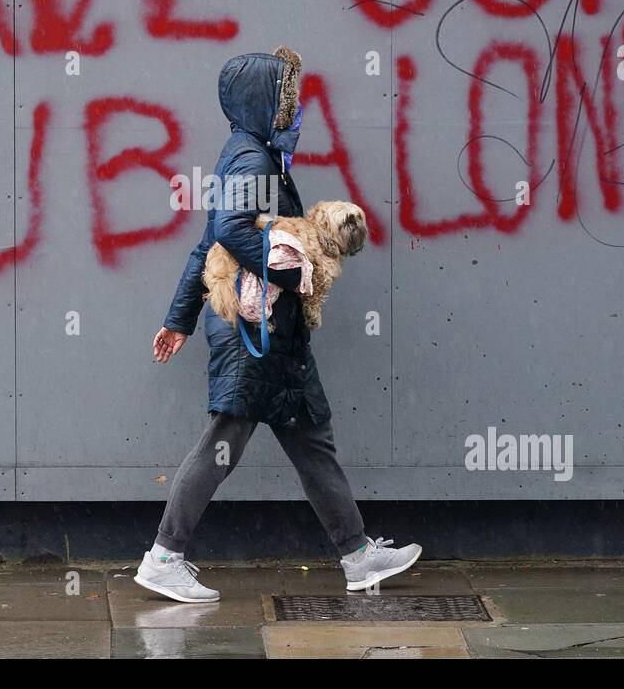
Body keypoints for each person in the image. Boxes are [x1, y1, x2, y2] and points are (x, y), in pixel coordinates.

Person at [137, 46, 421, 603]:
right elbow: (226, 229)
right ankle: (164, 557)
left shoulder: (254, 152)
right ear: (264, 102)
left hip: (274, 335)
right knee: (225, 440)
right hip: (254, 336)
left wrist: (180, 321)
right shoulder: (253, 160)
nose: (293, 111)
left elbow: (205, 245)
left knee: (312, 437)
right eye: (286, 99)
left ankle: (358, 556)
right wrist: (297, 276)